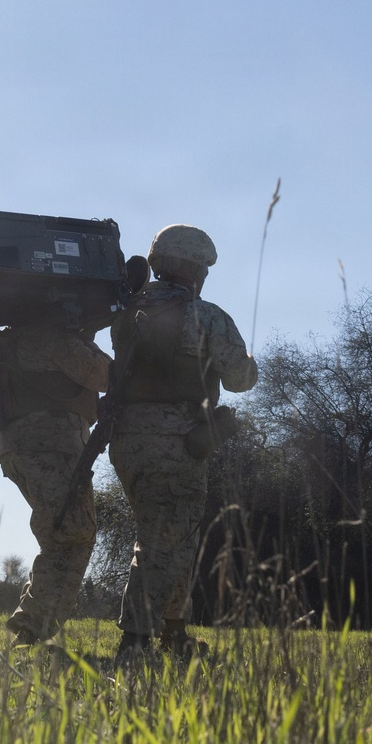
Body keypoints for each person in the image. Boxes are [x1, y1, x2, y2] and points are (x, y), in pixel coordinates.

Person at [109, 224, 257, 664]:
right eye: (203, 268)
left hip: (125, 442)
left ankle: (175, 634)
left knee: (173, 538)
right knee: (163, 540)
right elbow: (241, 379)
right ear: (192, 268)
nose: (205, 277)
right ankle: (134, 643)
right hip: (177, 443)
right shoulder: (205, 315)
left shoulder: (125, 309)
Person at [0, 317, 110, 645]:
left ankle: (32, 625)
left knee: (58, 534)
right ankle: (32, 628)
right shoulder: (53, 334)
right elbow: (103, 374)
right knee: (74, 535)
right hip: (51, 445)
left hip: (21, 448)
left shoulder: (17, 334)